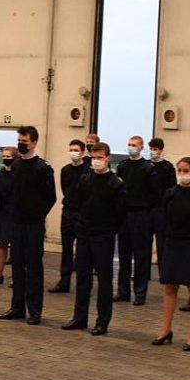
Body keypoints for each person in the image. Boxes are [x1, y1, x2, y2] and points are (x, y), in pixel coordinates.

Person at [62, 142, 126, 335]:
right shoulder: (85, 180)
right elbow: (79, 204)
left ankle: (102, 321)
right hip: (84, 235)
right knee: (82, 278)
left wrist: (108, 231)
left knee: (104, 281)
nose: (97, 161)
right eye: (94, 157)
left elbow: (120, 214)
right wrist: (82, 228)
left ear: (107, 158)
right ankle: (80, 317)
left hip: (104, 237)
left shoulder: (116, 184)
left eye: (100, 157)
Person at [0, 126, 56, 325]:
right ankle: (17, 307)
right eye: (19, 140)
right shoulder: (16, 165)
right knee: (17, 266)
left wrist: (37, 215)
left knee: (34, 268)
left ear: (34, 143)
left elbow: (51, 198)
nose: (21, 144)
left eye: (25, 141)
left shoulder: (43, 168)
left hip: (33, 225)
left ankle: (35, 311)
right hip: (16, 223)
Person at [152, 157, 190, 351]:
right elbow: (165, 217)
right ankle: (165, 329)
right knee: (170, 287)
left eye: (186, 170)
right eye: (179, 170)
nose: (182, 174)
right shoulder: (170, 193)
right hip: (173, 242)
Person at [115, 136, 156, 305]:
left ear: (141, 147)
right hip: (124, 214)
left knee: (140, 255)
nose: (131, 147)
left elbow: (154, 194)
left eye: (134, 145)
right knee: (124, 254)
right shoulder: (122, 166)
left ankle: (140, 293)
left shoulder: (148, 168)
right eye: (129, 144)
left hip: (141, 214)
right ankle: (122, 291)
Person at [50, 139, 90, 293]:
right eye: (71, 149)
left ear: (82, 152)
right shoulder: (65, 170)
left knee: (82, 249)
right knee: (66, 247)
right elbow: (65, 189)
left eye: (76, 149)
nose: (73, 152)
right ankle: (64, 281)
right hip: (67, 211)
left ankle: (82, 281)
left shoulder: (88, 170)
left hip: (82, 213)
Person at [148, 137, 175, 278]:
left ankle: (163, 274)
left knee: (162, 243)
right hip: (147, 208)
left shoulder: (168, 167)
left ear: (161, 150)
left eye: (155, 149)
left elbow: (172, 190)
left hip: (161, 210)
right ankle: (144, 273)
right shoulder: (146, 166)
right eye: (151, 149)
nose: (153, 152)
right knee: (145, 243)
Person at [0, 147, 16, 285]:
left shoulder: (18, 173)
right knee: (1, 244)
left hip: (15, 213)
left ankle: (15, 276)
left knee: (16, 247)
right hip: (2, 212)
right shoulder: (0, 174)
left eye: (8, 156)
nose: (6, 158)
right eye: (4, 156)